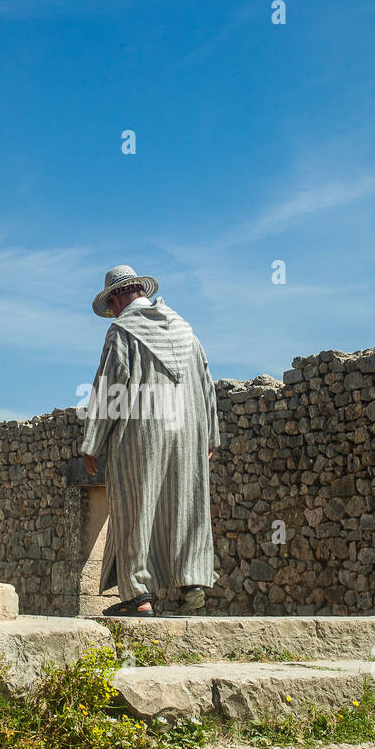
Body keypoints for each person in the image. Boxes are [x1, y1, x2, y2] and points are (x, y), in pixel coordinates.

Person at [80, 264, 220, 616]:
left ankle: (138, 597)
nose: (112, 312)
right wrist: (210, 437)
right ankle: (193, 585)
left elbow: (110, 388)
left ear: (116, 297)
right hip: (189, 429)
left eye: (111, 305)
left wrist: (93, 442)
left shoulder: (123, 332)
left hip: (142, 431)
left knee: (133, 508)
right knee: (186, 505)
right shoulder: (187, 331)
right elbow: (207, 386)